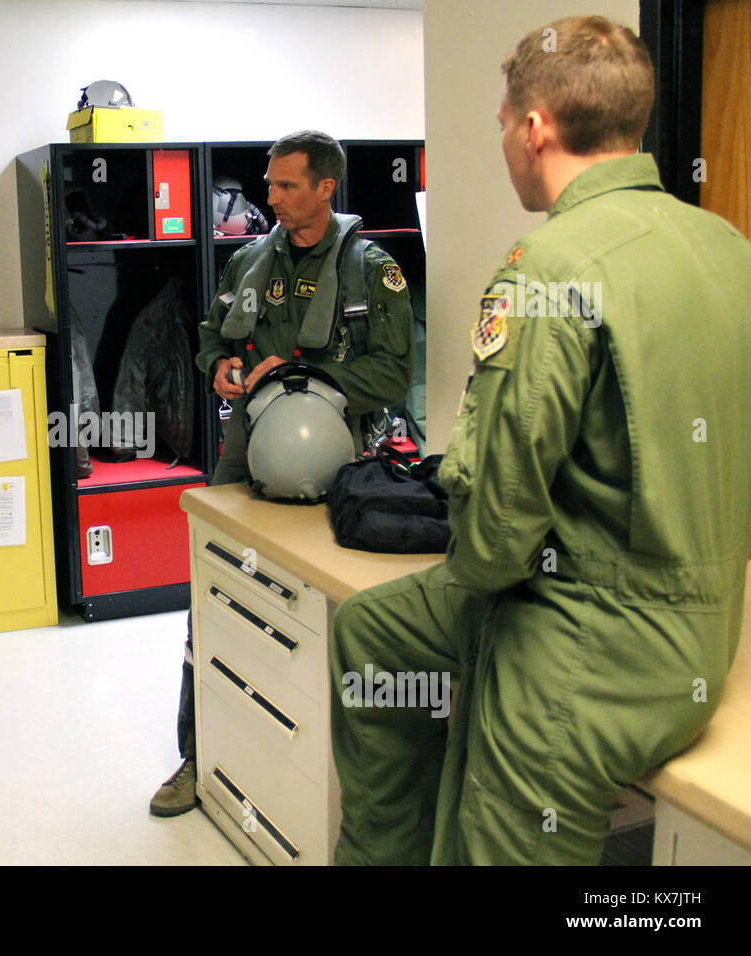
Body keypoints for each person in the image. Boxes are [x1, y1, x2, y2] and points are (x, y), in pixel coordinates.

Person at [329, 15, 751, 864]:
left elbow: (493, 535)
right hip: (707, 625)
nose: (501, 145)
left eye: (499, 126)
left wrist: (483, 568)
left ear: (535, 128)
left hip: (590, 640)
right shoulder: (726, 247)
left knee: (495, 839)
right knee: (372, 632)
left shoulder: (549, 268)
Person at [150, 130, 415, 816]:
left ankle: (323, 769)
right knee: (214, 588)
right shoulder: (247, 262)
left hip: (342, 455)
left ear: (326, 188)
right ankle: (198, 754)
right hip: (250, 447)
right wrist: (225, 368)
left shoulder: (371, 269)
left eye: (285, 185)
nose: (268, 196)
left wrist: (306, 379)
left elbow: (394, 372)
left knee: (328, 602)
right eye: (268, 184)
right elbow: (213, 337)